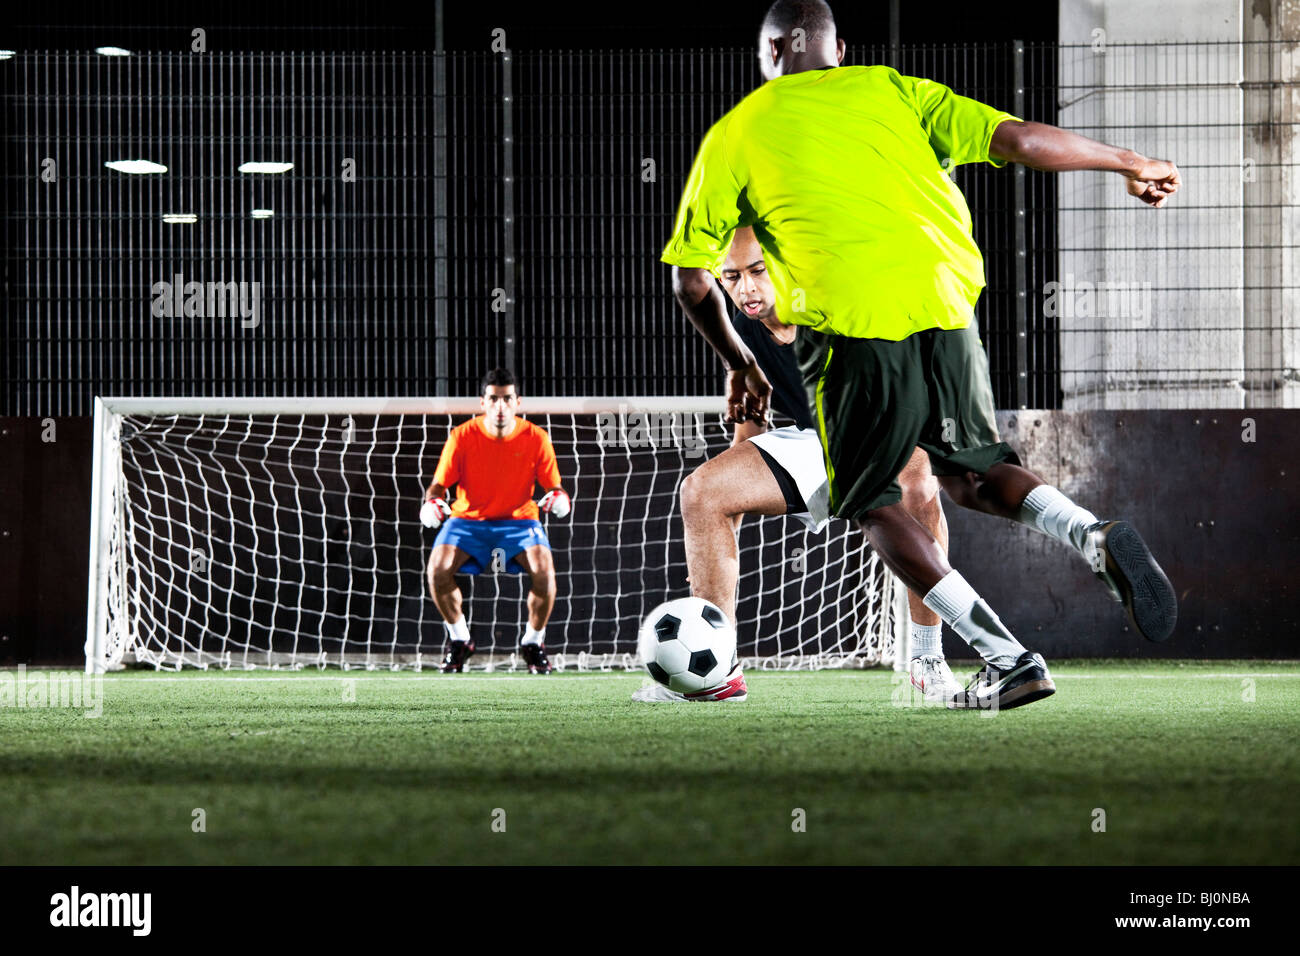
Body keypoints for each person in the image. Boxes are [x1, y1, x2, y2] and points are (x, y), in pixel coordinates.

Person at [661, 0, 1179, 710]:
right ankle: (1089, 533)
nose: (745, 284)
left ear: (772, 51)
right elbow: (1021, 139)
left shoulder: (740, 131)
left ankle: (1002, 658)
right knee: (975, 472)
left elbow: (689, 281)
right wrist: (1129, 161)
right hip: (947, 307)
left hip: (856, 326)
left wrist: (735, 360)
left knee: (878, 501)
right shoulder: (900, 91)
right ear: (841, 49)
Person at [635, 226, 961, 703]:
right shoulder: (743, 325)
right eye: (732, 277)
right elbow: (750, 429)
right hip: (816, 442)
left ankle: (928, 659)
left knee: (919, 486)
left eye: (758, 271)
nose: (746, 287)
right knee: (702, 491)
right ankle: (716, 673)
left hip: (892, 429)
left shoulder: (840, 306)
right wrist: (713, 542)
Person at [421, 368, 571, 674]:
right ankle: (460, 640)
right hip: (468, 520)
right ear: (482, 402)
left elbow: (555, 487)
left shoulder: (536, 438)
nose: (500, 406)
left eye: (507, 399)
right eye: (493, 399)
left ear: (517, 402)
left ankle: (533, 643)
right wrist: (431, 503)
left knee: (545, 572)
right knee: (437, 569)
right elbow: (437, 486)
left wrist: (560, 499)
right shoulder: (462, 436)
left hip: (519, 521)